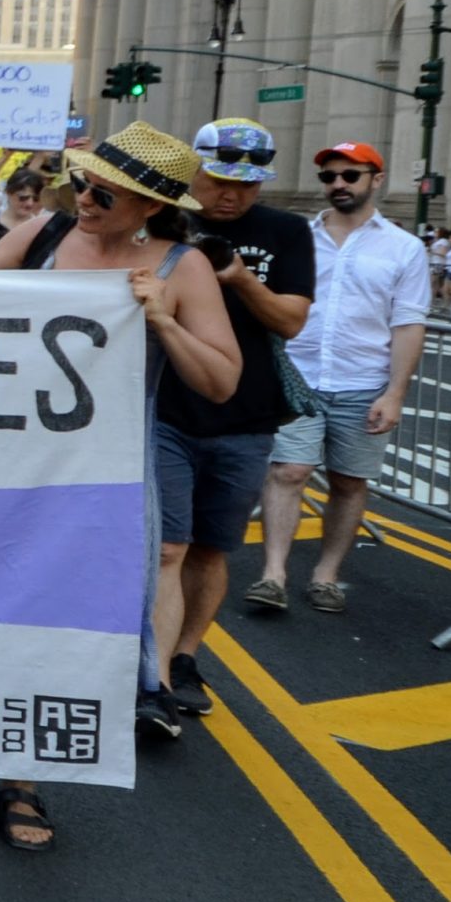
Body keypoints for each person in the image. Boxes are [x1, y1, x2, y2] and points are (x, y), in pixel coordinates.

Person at [0, 124, 239, 849]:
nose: (86, 199)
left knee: (61, 628)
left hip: (98, 484)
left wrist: (162, 318)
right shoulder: (43, 233)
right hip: (1, 469)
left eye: (106, 192)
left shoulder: (182, 265)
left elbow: (221, 380)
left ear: (151, 208)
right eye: (84, 183)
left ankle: (26, 779)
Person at [150, 121, 312, 727]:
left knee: (212, 548)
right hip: (165, 409)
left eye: (245, 185)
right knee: (169, 545)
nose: (231, 195)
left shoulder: (287, 231)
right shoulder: (163, 223)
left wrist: (241, 277)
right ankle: (157, 678)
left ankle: (186, 657)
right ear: (196, 171)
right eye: (219, 180)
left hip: (246, 417)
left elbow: (293, 322)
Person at [249, 141, 428, 617]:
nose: (338, 185)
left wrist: (395, 393)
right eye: (330, 177)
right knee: (288, 471)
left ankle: (326, 576)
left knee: (349, 483)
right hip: (298, 376)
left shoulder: (404, 248)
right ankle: (273, 575)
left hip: (363, 380)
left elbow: (408, 323)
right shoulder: (296, 237)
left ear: (376, 179)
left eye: (350, 175)